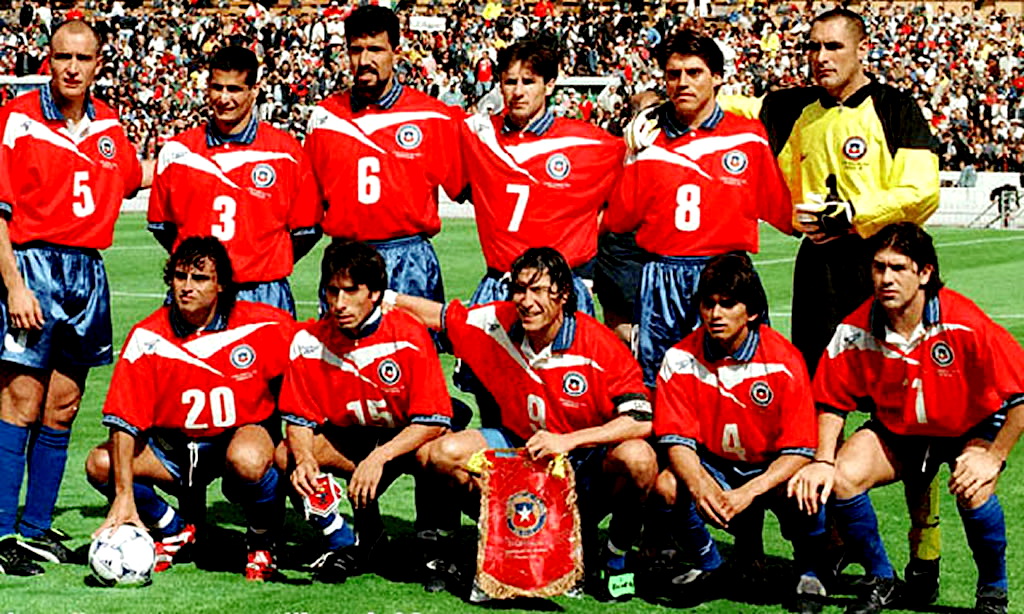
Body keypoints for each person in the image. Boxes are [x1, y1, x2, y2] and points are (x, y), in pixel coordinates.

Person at [630, 9, 943, 595]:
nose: (821, 57)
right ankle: (822, 544)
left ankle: (924, 554)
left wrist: (857, 214)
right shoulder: (790, 106)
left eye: (833, 47)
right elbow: (722, 100)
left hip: (886, 268)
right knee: (818, 405)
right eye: (813, 48)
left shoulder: (895, 107)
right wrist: (652, 107)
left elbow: (922, 188)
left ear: (860, 49)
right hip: (819, 272)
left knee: (908, 414)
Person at [395, 247, 657, 602]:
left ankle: (615, 557)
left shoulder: (599, 345)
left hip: (585, 466)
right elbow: (442, 316)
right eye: (520, 289)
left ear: (563, 295)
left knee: (639, 458)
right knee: (442, 453)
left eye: (538, 291)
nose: (526, 301)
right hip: (521, 454)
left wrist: (569, 441)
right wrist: (384, 297)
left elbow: (641, 419)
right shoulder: (496, 323)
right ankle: (509, 540)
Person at [788, 223, 1024, 614]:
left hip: (968, 427)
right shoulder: (854, 327)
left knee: (973, 488)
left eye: (898, 268)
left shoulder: (964, 321)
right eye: (879, 267)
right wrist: (823, 460)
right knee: (843, 476)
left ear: (925, 273)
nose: (885, 278)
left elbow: (1020, 396)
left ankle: (992, 591)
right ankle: (881, 578)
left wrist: (992, 456)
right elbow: (830, 400)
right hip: (899, 430)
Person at [0, 20, 146, 575]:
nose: (72, 68)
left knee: (62, 405)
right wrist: (14, 284)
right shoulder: (17, 118)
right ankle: (2, 531)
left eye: (83, 58)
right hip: (33, 266)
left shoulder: (110, 124)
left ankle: (36, 529)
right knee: (19, 401)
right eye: (63, 56)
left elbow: (133, 177)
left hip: (87, 273)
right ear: (48, 59)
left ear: (98, 64)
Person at [85, 237, 294, 581]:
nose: (187, 287)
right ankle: (173, 528)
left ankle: (261, 541)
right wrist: (123, 495)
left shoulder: (264, 325)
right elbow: (123, 420)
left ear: (221, 284)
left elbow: (313, 359)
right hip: (173, 449)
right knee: (101, 463)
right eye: (180, 276)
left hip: (234, 442)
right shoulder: (147, 336)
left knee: (250, 457)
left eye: (200, 279)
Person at [605, 30, 793, 390]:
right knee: (661, 383)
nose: (682, 83)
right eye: (673, 75)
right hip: (663, 275)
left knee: (742, 378)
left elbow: (782, 211)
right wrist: (628, 154)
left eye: (694, 73)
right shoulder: (647, 140)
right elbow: (620, 218)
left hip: (727, 274)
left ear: (717, 77)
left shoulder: (748, 137)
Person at [458, 39, 625, 427]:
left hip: (560, 292)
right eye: (509, 81)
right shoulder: (477, 135)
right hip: (499, 285)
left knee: (571, 405)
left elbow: (625, 204)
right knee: (494, 406)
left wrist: (581, 247)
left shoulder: (590, 142)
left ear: (550, 84)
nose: (517, 91)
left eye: (528, 81)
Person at [274, 240, 459, 590]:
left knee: (435, 453)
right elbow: (298, 418)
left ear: (375, 293)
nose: (339, 303)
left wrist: (380, 456)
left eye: (351, 291)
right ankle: (356, 539)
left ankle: (434, 548)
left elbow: (434, 419)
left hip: (405, 437)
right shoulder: (308, 340)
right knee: (287, 456)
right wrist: (304, 459)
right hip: (353, 436)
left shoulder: (407, 334)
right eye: (332, 291)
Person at [651, 253, 827, 613]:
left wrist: (750, 491)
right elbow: (676, 440)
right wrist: (702, 486)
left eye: (727, 304)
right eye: (708, 304)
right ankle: (709, 564)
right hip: (715, 463)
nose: (715, 314)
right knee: (668, 485)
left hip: (770, 467)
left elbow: (799, 449)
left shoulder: (784, 360)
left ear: (751, 313)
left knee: (806, 485)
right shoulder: (679, 358)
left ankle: (811, 573)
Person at [303, 5, 464, 306]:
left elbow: (475, 190)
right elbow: (310, 209)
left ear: (396, 53)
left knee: (411, 351)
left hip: (408, 258)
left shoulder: (433, 116)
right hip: (344, 260)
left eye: (376, 49)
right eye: (356, 50)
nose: (364, 61)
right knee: (340, 354)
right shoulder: (324, 117)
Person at [148, 45, 322, 316]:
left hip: (263, 292)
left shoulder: (286, 152)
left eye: (235, 89)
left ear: (254, 90)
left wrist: (263, 261)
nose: (224, 98)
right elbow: (163, 228)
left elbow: (307, 230)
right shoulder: (178, 151)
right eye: (217, 87)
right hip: (199, 293)